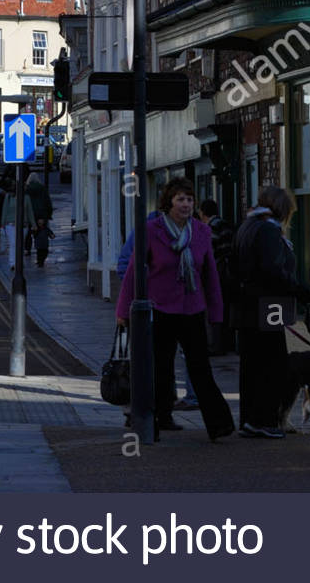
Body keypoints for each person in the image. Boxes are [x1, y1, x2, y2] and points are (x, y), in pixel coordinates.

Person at [115, 178, 234, 440]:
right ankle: (156, 420)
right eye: (180, 199)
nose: (186, 205)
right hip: (161, 309)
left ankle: (219, 424)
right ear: (169, 202)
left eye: (190, 200)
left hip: (192, 309)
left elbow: (210, 275)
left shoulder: (202, 232)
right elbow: (134, 272)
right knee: (160, 368)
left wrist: (216, 312)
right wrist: (123, 311)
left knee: (200, 368)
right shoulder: (151, 230)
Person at [229, 186, 310, 439]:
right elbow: (272, 269)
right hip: (267, 306)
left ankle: (250, 419)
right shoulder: (268, 230)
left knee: (252, 365)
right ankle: (263, 420)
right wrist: (297, 289)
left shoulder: (248, 226)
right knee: (272, 364)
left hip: (247, 307)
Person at [117, 210, 196, 412]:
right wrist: (144, 291)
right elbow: (125, 265)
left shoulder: (193, 231)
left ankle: (183, 398)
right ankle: (152, 403)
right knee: (155, 356)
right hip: (153, 308)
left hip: (184, 306)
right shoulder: (148, 229)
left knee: (185, 353)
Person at [199, 199, 236, 355]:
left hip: (217, 274)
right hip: (229, 275)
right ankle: (228, 343)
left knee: (214, 310)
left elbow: (209, 255)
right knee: (226, 309)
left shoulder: (210, 228)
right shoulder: (226, 225)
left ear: (202, 212)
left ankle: (216, 346)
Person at [23, 172, 54, 267]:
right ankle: (40, 258)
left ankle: (27, 249)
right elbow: (48, 203)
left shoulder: (26, 189)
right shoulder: (43, 189)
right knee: (41, 237)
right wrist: (48, 215)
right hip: (41, 216)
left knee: (28, 234)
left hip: (29, 216)